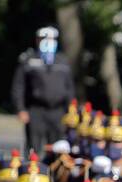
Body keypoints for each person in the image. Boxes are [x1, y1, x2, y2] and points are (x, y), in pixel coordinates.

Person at [12, 26, 76, 156]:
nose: (48, 42)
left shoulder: (62, 61)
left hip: (58, 112)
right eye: (44, 39)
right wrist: (20, 108)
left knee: (58, 147)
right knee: (34, 146)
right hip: (36, 110)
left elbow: (69, 88)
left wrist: (71, 109)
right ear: (37, 40)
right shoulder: (29, 60)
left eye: (51, 39)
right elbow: (18, 86)